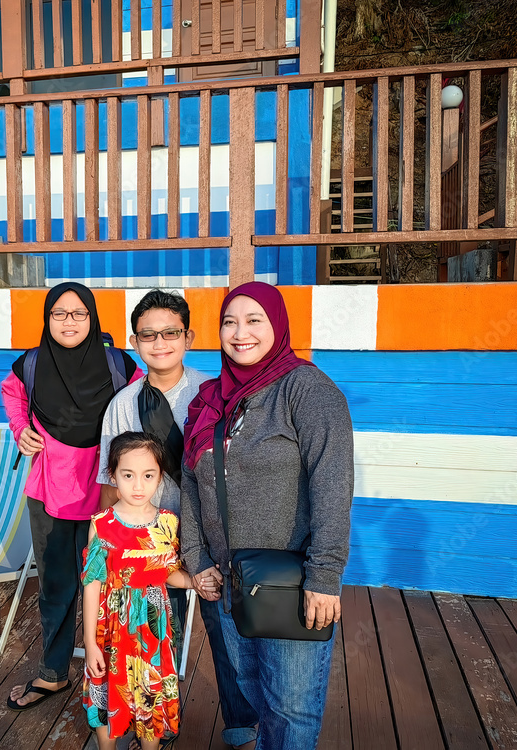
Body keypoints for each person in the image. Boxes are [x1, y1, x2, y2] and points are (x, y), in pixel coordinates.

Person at [180, 281, 353, 750]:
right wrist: (197, 560)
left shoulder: (307, 390)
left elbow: (333, 485)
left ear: (277, 326)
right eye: (229, 322)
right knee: (254, 693)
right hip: (230, 581)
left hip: (289, 583)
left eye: (255, 320)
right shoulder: (211, 399)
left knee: (291, 707)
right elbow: (193, 483)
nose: (241, 333)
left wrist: (325, 576)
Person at [96, 289, 258, 747]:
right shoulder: (123, 404)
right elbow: (111, 482)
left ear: (188, 336)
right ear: (134, 340)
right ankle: (146, 716)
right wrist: (110, 542)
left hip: (208, 532)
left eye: (170, 332)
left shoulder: (215, 393)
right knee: (152, 629)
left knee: (223, 625)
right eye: (148, 335)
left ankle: (242, 720)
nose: (160, 343)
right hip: (147, 539)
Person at [2, 282, 142, 711]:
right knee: (57, 585)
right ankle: (53, 672)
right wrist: (19, 428)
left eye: (79, 313)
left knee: (112, 587)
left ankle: (117, 676)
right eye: (59, 313)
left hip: (107, 493)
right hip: (49, 492)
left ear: (93, 318)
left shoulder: (119, 364)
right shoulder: (30, 363)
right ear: (47, 319)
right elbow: (12, 394)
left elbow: (142, 402)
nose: (69, 321)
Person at [82, 431, 194, 750]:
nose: (138, 485)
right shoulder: (102, 524)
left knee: (150, 693)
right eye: (127, 475)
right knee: (104, 691)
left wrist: (195, 581)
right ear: (113, 475)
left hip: (151, 630)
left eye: (148, 475)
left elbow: (169, 573)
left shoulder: (168, 523)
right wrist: (90, 642)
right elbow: (92, 584)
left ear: (160, 477)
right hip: (110, 628)